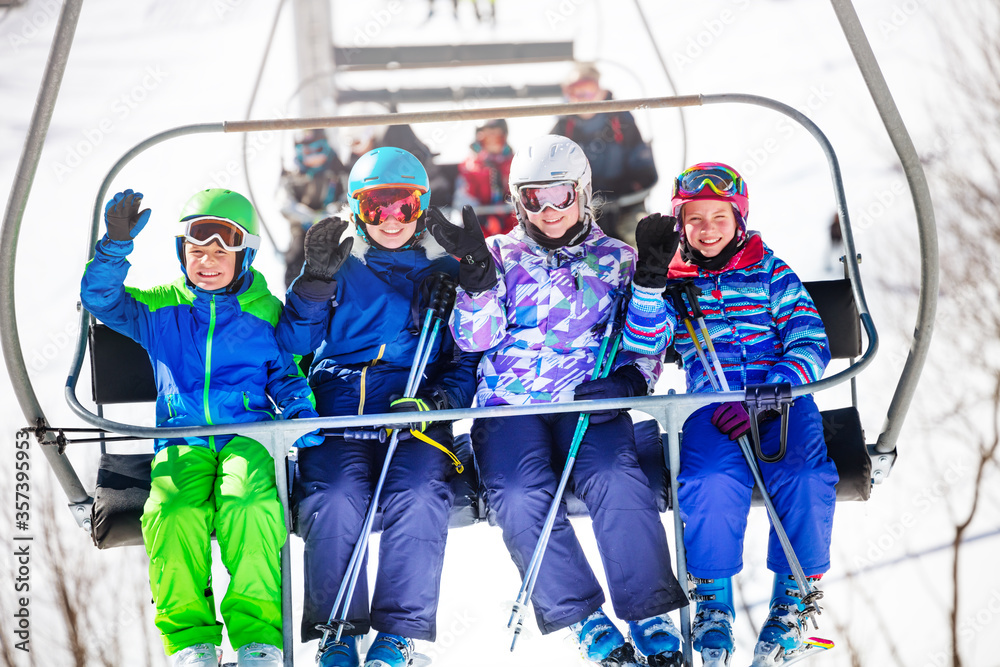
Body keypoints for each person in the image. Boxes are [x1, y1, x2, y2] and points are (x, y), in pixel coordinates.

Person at [426, 135, 688, 667]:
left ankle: (648, 613)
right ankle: (581, 617)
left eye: (560, 197)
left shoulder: (617, 259)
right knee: (518, 493)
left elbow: (644, 344)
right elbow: (475, 341)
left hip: (585, 398)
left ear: (583, 193)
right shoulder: (498, 256)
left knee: (616, 474)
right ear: (518, 201)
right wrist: (475, 281)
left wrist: (646, 304)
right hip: (507, 408)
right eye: (533, 199)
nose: (547, 212)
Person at [80, 188, 322, 667]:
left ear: (245, 255)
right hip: (181, 438)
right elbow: (101, 299)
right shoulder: (160, 309)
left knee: (250, 507)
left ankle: (258, 640)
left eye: (221, 252)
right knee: (172, 514)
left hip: (249, 437)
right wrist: (114, 247)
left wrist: (300, 416)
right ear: (181, 253)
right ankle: (192, 641)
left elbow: (287, 375)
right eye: (196, 251)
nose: (207, 262)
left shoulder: (263, 311)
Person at [622, 163, 838, 666]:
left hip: (782, 398)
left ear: (738, 219)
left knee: (805, 475)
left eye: (719, 217)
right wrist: (650, 287)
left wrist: (774, 387)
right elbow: (644, 346)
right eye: (694, 219)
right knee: (707, 476)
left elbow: (809, 338)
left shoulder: (769, 270)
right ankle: (713, 600)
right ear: (681, 226)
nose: (708, 229)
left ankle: (794, 601)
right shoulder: (677, 280)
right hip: (711, 404)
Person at [276, 147, 479, 667]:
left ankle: (397, 634)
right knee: (336, 495)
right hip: (341, 409)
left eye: (404, 207)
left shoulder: (444, 271)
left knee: (420, 492)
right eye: (375, 208)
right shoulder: (340, 266)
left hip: (415, 413)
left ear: (423, 205)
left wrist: (438, 403)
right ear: (355, 209)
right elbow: (295, 343)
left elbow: (466, 361)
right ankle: (339, 629)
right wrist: (314, 281)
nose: (390, 220)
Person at [550, 63, 658, 243]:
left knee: (640, 235)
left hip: (624, 203)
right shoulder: (563, 128)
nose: (583, 98)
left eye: (588, 90)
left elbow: (643, 167)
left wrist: (627, 190)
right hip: (578, 208)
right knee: (565, 241)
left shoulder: (621, 121)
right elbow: (550, 170)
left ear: (600, 91)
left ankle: (641, 268)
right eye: (576, 92)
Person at [279, 129, 348, 289]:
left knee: (342, 254)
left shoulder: (339, 172)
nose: (314, 157)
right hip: (302, 231)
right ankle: (295, 288)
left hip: (335, 229)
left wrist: (334, 212)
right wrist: (306, 216)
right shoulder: (293, 176)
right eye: (308, 151)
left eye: (319, 150)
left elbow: (349, 196)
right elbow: (283, 203)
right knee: (297, 255)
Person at [453, 119, 517, 236]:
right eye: (487, 137)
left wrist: (507, 215)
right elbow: (464, 200)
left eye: (497, 136)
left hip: (510, 222)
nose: (492, 142)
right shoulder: (470, 167)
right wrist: (484, 220)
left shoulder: (514, 163)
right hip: (481, 224)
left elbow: (519, 196)